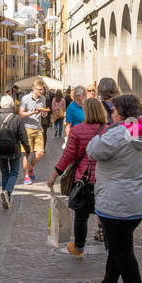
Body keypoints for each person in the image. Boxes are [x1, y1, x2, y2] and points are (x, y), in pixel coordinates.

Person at [84, 93, 142, 283]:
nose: (111, 114)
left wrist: (98, 134)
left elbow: (93, 150)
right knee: (117, 247)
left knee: (123, 253)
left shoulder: (117, 134)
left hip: (116, 202)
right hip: (137, 200)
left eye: (113, 110)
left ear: (121, 112)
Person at [49, 90, 108, 256]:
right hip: (105, 180)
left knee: (81, 216)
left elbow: (68, 156)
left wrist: (54, 176)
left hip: (83, 180)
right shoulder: (109, 130)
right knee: (105, 216)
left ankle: (79, 247)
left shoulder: (78, 130)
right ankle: (110, 248)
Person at [0, 95, 30, 209]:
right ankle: (7, 192)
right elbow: (23, 136)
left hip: (1, 149)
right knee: (14, 172)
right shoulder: (17, 118)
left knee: (5, 173)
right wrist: (27, 148)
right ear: (12, 105)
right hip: (14, 149)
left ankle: (6, 195)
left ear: (1, 105)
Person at [19, 78, 51, 184]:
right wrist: (32, 113)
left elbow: (43, 113)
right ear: (33, 88)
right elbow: (21, 113)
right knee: (27, 154)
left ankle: (31, 167)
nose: (41, 91)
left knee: (40, 153)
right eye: (39, 89)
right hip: (27, 128)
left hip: (38, 127)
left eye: (42, 89)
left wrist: (44, 113)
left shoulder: (43, 98)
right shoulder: (25, 98)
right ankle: (26, 177)